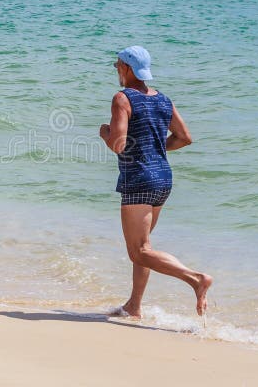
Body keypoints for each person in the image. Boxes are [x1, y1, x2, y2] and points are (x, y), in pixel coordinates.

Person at [99, 45, 213, 318]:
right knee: (145, 247)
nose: (115, 68)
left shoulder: (122, 98)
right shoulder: (163, 99)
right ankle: (134, 306)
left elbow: (118, 143)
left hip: (138, 178)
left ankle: (196, 279)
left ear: (127, 68)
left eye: (117, 64)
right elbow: (184, 138)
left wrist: (104, 133)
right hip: (162, 177)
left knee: (138, 251)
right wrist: (154, 148)